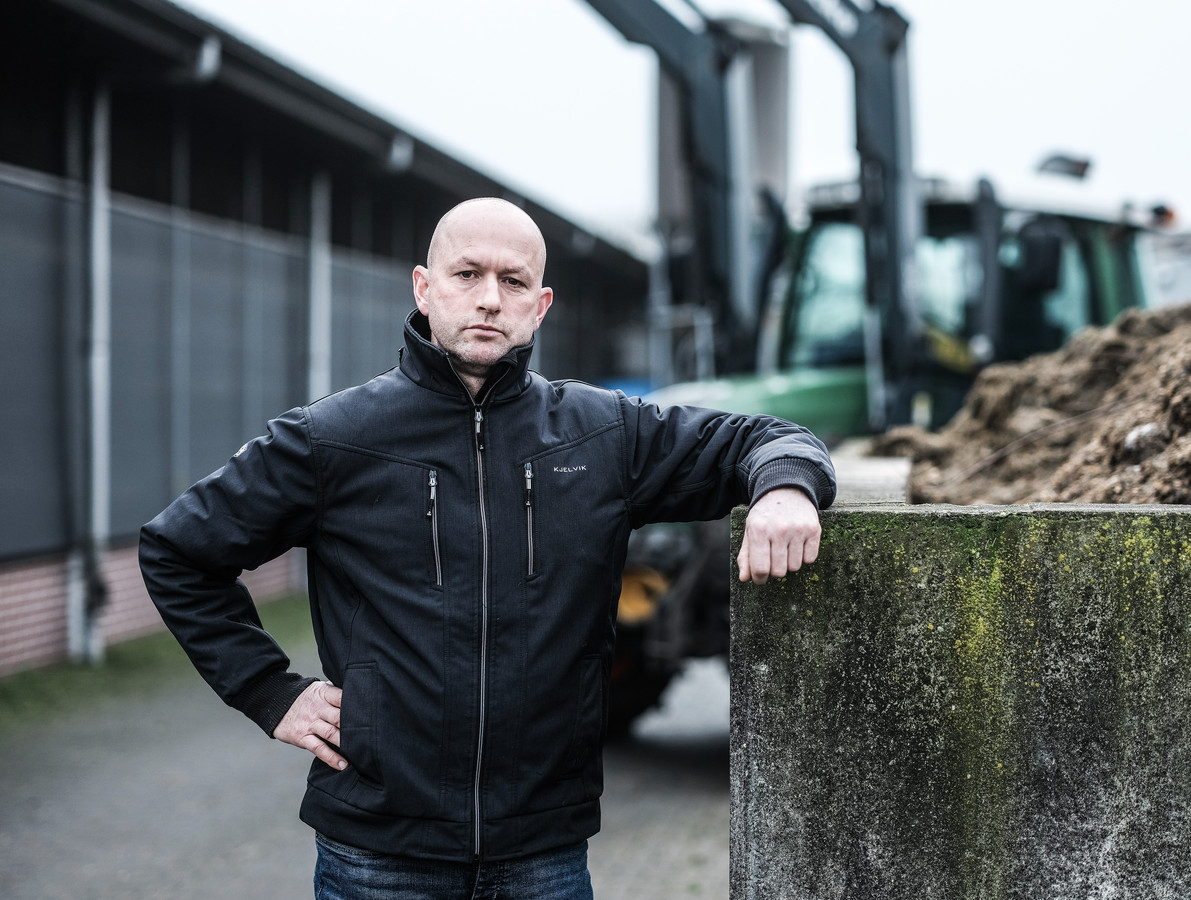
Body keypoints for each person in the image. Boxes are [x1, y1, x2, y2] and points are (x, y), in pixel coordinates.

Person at [140, 197, 835, 899]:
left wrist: (783, 488)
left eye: (513, 281)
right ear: (423, 286)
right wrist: (268, 691)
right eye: (467, 274)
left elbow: (769, 437)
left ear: (541, 303)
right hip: (379, 853)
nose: (489, 299)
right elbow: (177, 551)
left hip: (543, 851)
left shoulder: (603, 434)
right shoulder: (333, 438)